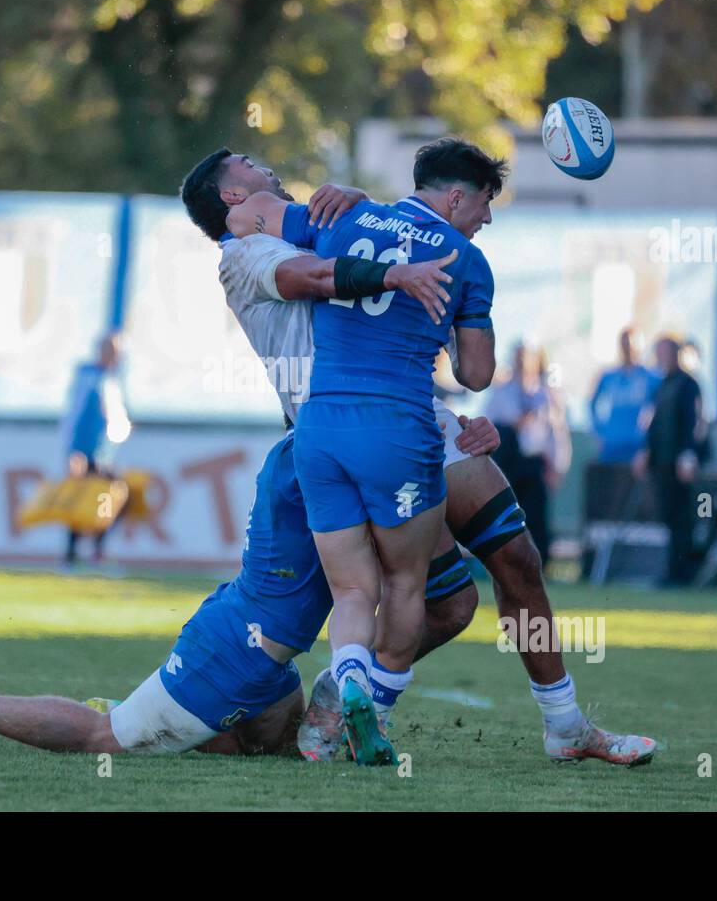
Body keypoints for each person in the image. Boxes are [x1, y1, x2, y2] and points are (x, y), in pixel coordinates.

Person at [184, 142, 654, 766]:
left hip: (411, 413)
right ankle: (335, 701)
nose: (266, 165)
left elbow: (397, 312)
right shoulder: (243, 253)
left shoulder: (333, 223)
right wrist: (386, 254)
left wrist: (362, 213)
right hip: (337, 424)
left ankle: (563, 723)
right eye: (248, 165)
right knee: (443, 602)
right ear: (234, 198)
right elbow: (320, 278)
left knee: (517, 557)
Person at [0, 429, 493, 758]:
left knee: (273, 744)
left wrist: (454, 437)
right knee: (110, 738)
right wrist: (451, 448)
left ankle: (162, 708)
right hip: (236, 651)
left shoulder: (314, 442)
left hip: (259, 649)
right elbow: (394, 516)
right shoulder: (326, 458)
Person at [485, 342, 571, 565]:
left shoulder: (546, 395)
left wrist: (558, 466)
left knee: (536, 516)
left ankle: (540, 563)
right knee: (506, 516)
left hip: (534, 462)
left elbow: (556, 434)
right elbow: (494, 423)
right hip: (507, 462)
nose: (522, 362)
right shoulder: (501, 392)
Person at [635, 337, 704, 586]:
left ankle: (684, 572)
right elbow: (654, 423)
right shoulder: (662, 385)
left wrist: (688, 456)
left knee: (684, 517)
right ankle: (671, 570)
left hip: (680, 465)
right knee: (668, 518)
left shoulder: (689, 385)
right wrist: (646, 452)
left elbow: (693, 423)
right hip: (662, 463)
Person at [57, 333, 131, 565]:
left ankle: (92, 551)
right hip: (86, 452)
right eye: (112, 350)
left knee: (107, 500)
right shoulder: (89, 376)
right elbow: (77, 414)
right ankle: (74, 555)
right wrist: (74, 451)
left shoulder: (111, 379)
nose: (116, 356)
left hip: (103, 453)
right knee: (83, 501)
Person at [589, 329, 658, 465]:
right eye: (625, 344)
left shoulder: (651, 377)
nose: (629, 349)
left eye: (633, 344)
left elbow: (659, 407)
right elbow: (592, 404)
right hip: (612, 443)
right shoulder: (609, 376)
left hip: (638, 443)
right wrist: (598, 431)